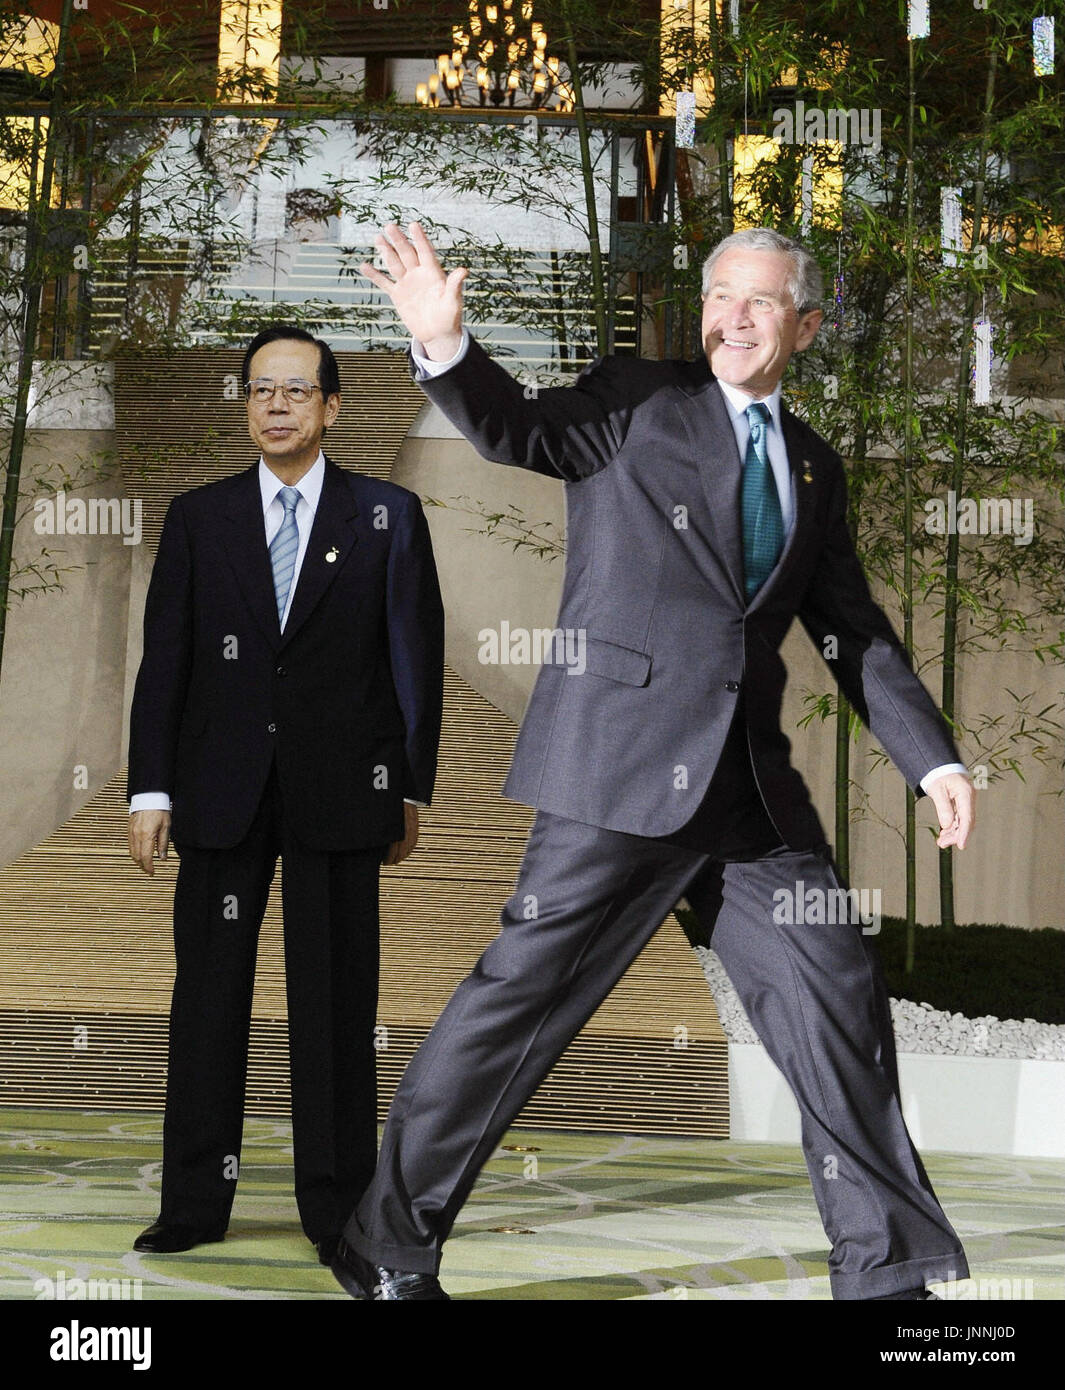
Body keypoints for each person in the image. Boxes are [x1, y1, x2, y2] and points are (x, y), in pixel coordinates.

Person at [331, 224, 975, 1301]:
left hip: (747, 797)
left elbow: (851, 631)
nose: (730, 315)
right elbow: (517, 432)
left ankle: (886, 1269)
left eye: (759, 302)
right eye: (720, 293)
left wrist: (933, 759)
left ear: (805, 325)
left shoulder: (812, 462)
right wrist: (446, 346)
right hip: (617, 773)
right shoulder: (636, 400)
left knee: (836, 996)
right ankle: (386, 1247)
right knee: (513, 1011)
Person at [126, 324, 444, 1266]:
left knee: (337, 1008)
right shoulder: (199, 517)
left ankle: (338, 1214)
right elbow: (165, 664)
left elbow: (412, 660)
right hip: (219, 792)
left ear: (331, 407)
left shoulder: (386, 515)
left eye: (294, 391)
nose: (273, 406)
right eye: (259, 390)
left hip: (345, 793)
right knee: (209, 998)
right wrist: (151, 788)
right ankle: (191, 1203)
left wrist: (409, 788)